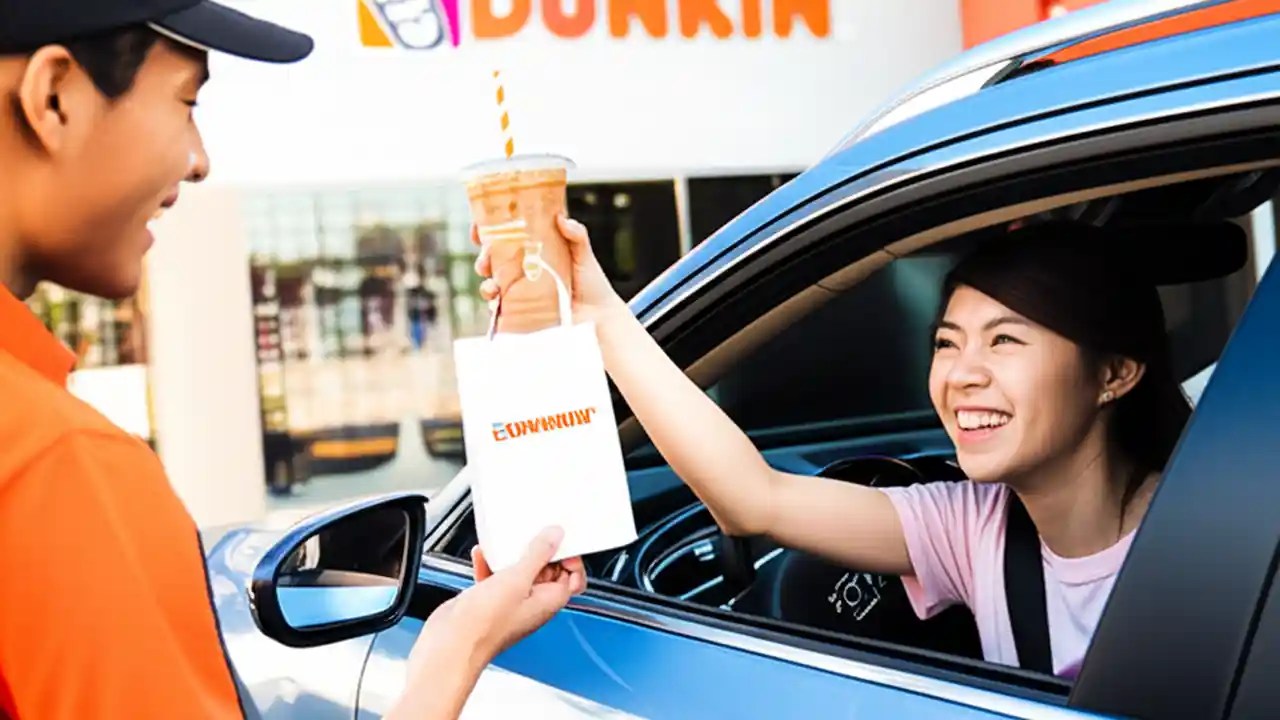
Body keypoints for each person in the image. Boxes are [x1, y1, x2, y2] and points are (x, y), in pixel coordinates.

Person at [0, 3, 583, 718]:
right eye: (187, 101)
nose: (200, 157)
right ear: (54, 96)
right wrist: (455, 652)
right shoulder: (57, 467)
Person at [474, 216, 1190, 680]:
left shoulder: (1214, 530)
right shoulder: (972, 531)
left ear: (1114, 373)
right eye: (947, 343)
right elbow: (755, 499)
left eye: (1005, 340)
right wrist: (597, 310)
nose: (962, 374)